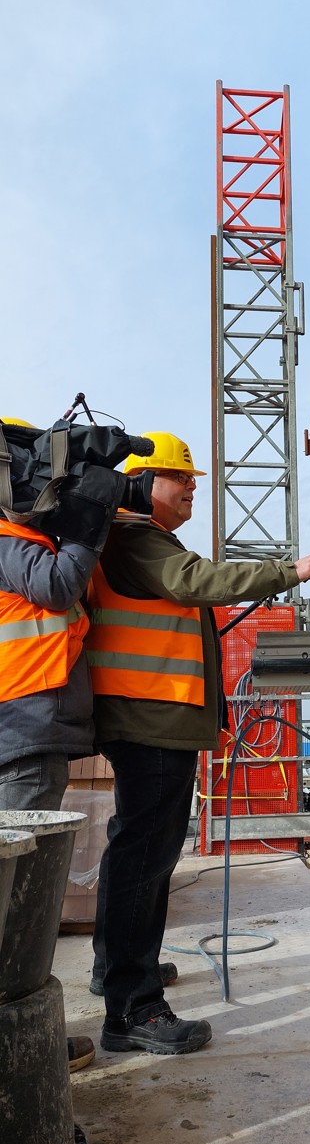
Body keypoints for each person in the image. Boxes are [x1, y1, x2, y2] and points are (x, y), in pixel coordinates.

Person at [85, 431, 310, 1057]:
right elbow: (199, 580)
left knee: (134, 849)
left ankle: (117, 971)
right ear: (140, 482)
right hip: (153, 719)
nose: (192, 487)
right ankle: (133, 1011)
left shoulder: (137, 540)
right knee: (146, 856)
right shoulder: (134, 538)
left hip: (154, 717)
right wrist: (287, 569)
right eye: (180, 477)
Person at [0, 416, 97, 1073]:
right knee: (17, 911)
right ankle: (20, 1050)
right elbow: (59, 584)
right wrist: (89, 516)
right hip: (22, 738)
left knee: (23, 908)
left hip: (33, 734)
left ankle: (23, 1039)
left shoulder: (23, 538)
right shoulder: (6, 541)